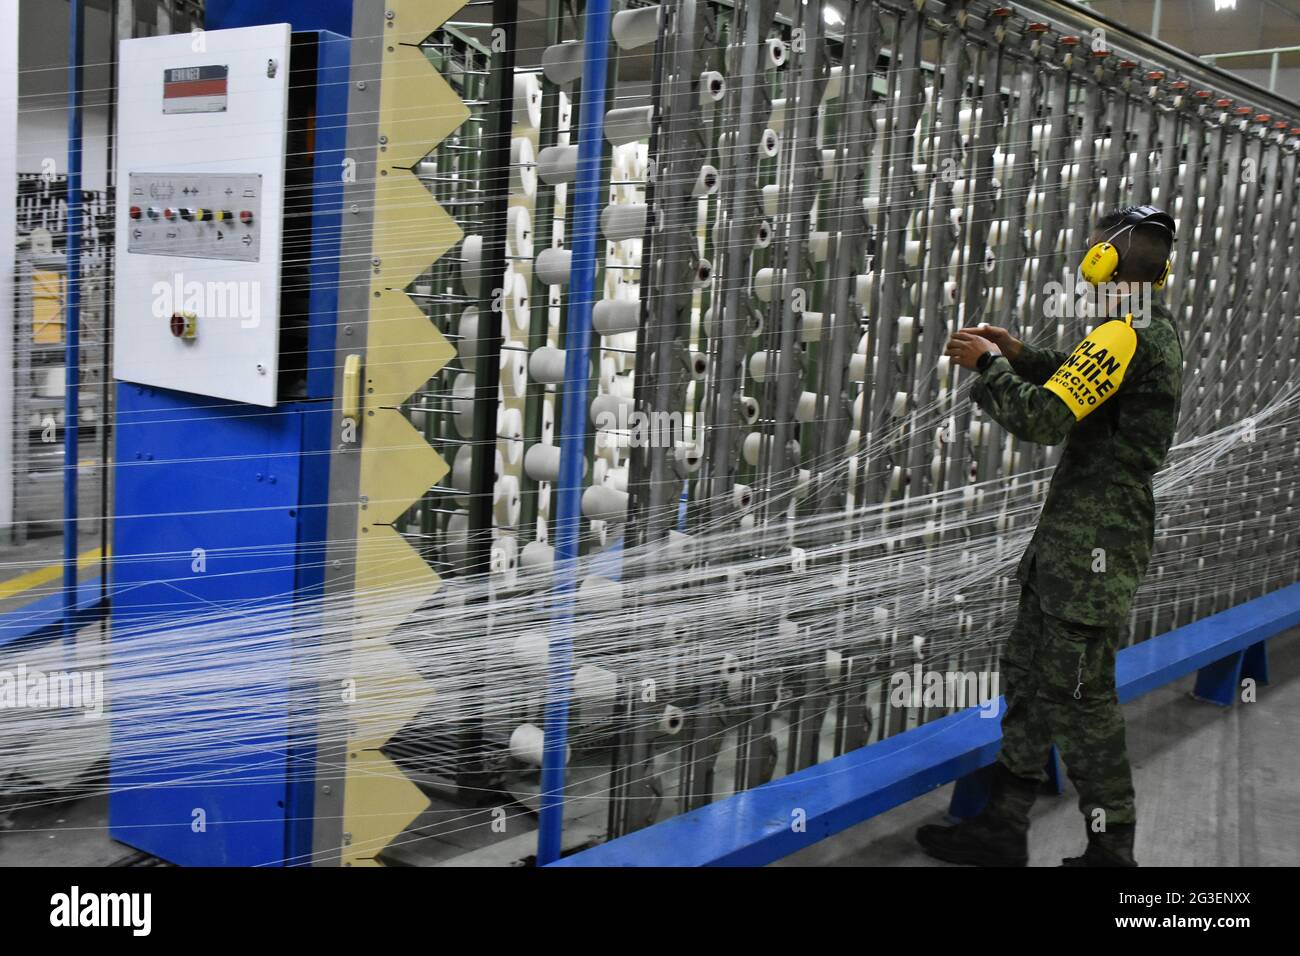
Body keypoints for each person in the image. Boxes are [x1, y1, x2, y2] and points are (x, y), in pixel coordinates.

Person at [918, 206, 1184, 867]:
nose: (1086, 258)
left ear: (1106, 262)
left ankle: (1111, 849)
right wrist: (1021, 355)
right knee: (1032, 681)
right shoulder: (1142, 326)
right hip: (1073, 543)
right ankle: (1002, 828)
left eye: (1093, 250)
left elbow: (1043, 418)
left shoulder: (1125, 333)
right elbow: (1077, 374)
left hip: (1092, 551)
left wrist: (990, 368)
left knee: (1079, 701)